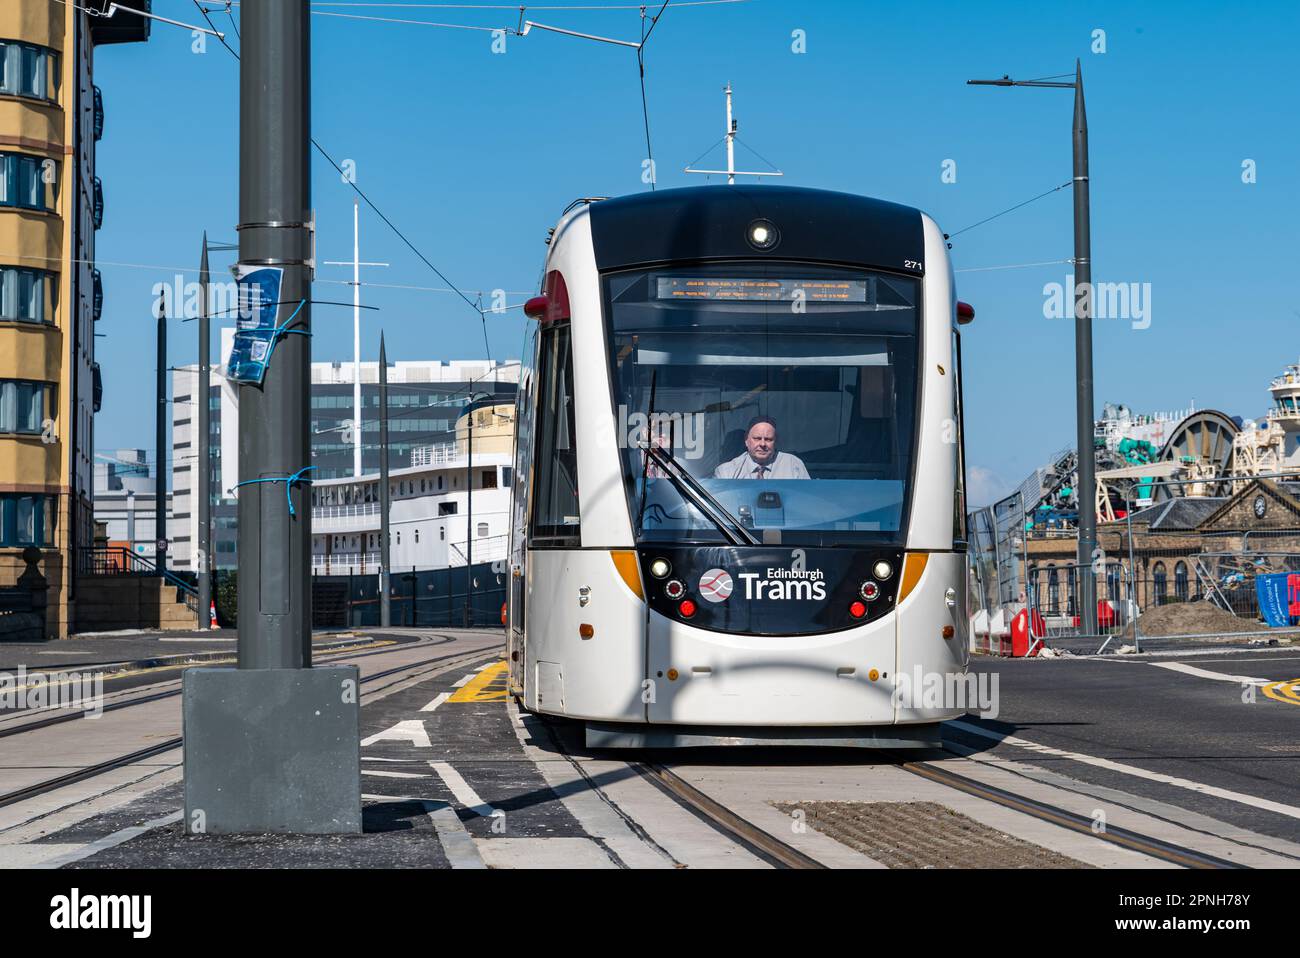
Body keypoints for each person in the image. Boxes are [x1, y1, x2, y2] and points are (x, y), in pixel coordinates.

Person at [713, 416, 810, 479]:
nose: (762, 444)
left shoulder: (794, 466)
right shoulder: (726, 472)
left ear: (775, 441)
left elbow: (806, 499)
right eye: (757, 438)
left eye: (768, 439)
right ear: (746, 441)